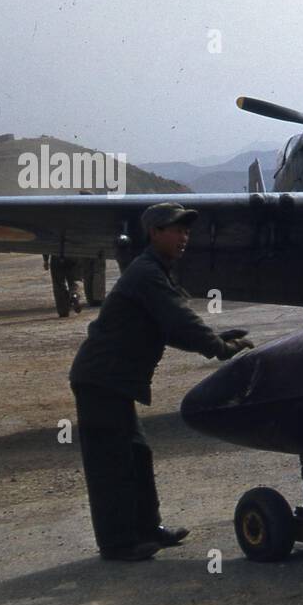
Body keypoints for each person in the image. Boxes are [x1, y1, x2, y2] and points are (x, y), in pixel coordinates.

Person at [69, 202, 253, 561]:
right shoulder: (147, 273)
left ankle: (148, 529)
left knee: (137, 453)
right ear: (154, 233)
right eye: (177, 230)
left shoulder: (157, 271)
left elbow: (168, 327)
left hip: (113, 381)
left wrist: (214, 337)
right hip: (100, 379)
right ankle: (118, 544)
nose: (185, 237)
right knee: (113, 462)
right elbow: (178, 318)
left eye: (187, 230)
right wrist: (216, 347)